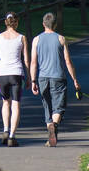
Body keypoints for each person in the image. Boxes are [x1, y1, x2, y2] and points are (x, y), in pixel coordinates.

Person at [29, 12, 80, 147]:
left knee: (47, 106)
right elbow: (67, 61)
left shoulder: (36, 40)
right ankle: (54, 126)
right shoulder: (61, 39)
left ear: (43, 24)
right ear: (55, 24)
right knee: (59, 107)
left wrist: (33, 80)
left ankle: (50, 133)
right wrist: (74, 79)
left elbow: (33, 62)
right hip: (58, 77)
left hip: (42, 77)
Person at [0, 12, 27, 146]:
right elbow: (26, 60)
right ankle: (12, 136)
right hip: (17, 74)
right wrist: (29, 78)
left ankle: (5, 129)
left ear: (6, 22)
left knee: (6, 102)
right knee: (16, 104)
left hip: (2, 74)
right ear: (16, 22)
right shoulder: (21, 38)